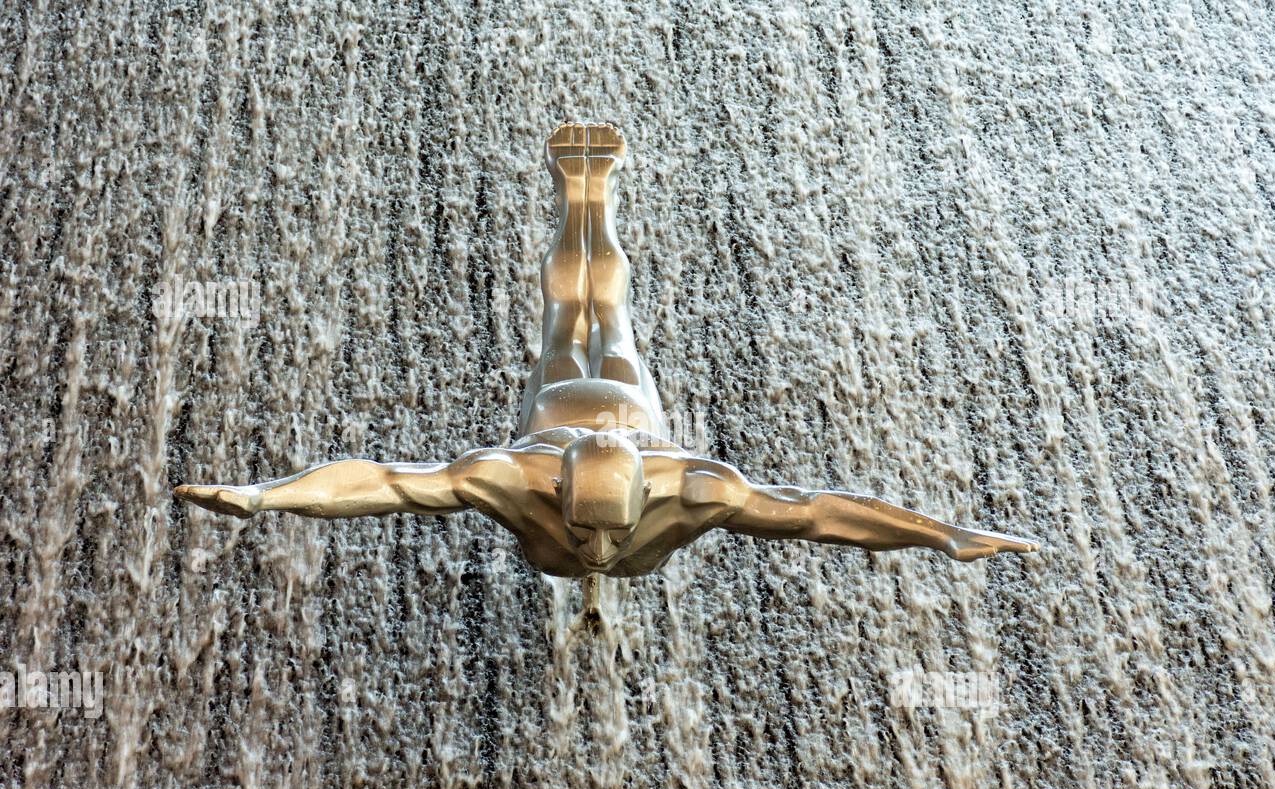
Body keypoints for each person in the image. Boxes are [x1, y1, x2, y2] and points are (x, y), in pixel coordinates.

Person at [175, 123, 1038, 577]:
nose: (592, 550)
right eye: (586, 533)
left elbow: (823, 514)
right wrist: (264, 499)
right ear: (555, 490)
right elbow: (379, 483)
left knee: (587, 315)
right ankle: (586, 198)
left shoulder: (696, 487)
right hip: (584, 421)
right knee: (587, 318)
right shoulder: (514, 477)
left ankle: (589, 199)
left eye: (602, 533)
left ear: (637, 494)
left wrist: (943, 535)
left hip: (607, 421)